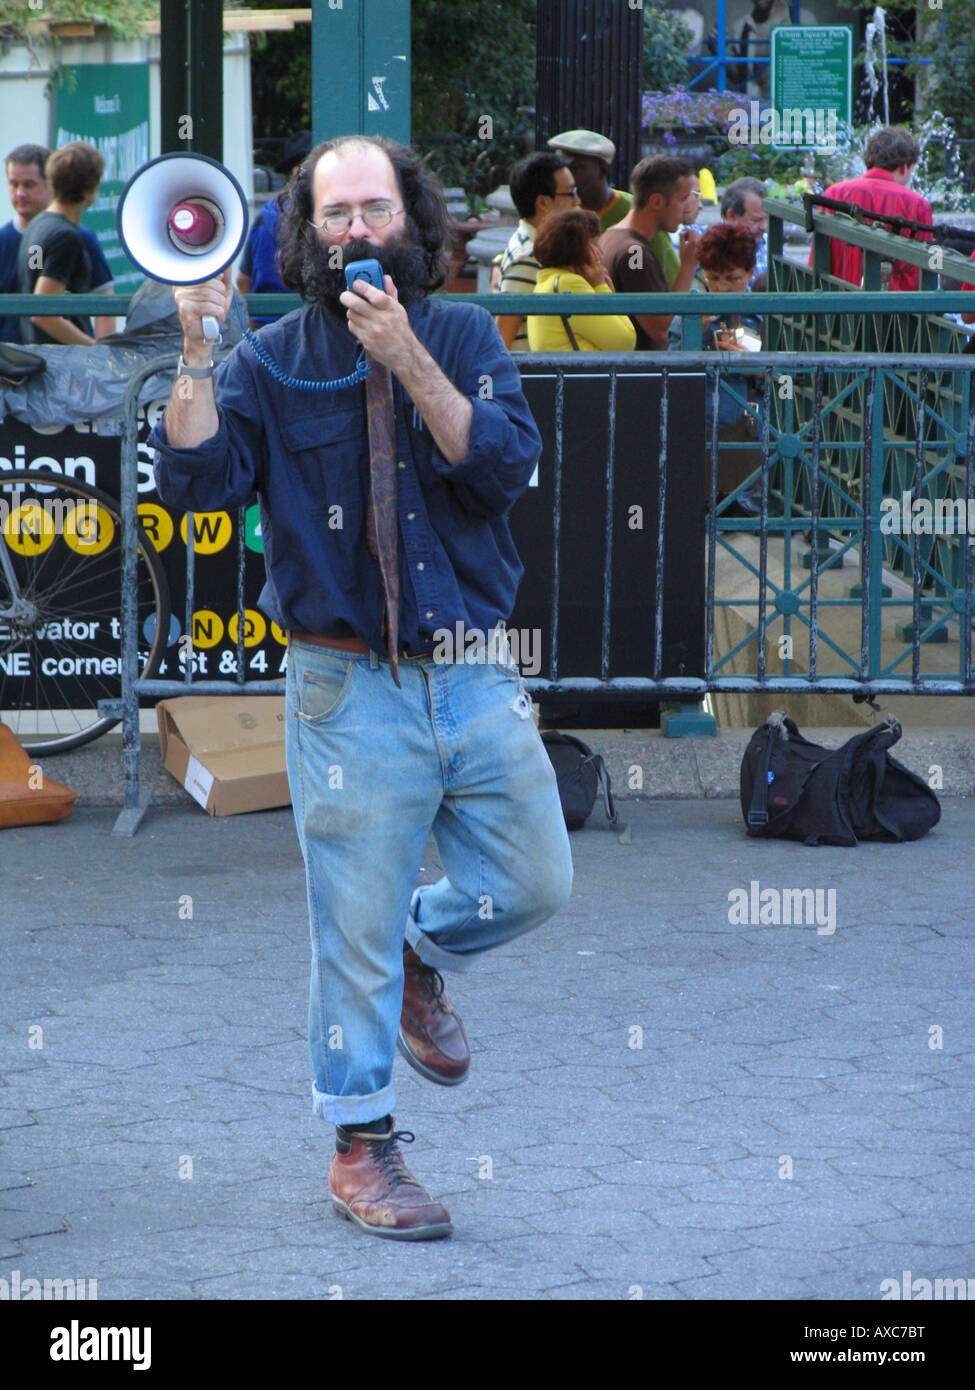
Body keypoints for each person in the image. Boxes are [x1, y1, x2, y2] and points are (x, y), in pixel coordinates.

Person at [150, 134, 573, 1242]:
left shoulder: (464, 334)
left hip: (472, 671)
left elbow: (498, 468)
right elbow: (196, 481)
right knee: (348, 929)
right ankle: (361, 1145)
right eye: (332, 214)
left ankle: (420, 960)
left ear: (412, 220)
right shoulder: (275, 355)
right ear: (306, 234)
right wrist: (197, 345)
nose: (354, 231)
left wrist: (408, 360)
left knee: (537, 877)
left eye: (373, 209)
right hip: (344, 681)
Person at [1, 142, 114, 342]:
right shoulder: (65, 237)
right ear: (92, 190)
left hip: (35, 357)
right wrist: (98, 352)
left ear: (50, 183)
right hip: (61, 363)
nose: (20, 192)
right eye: (14, 184)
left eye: (29, 184)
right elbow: (43, 311)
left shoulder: (37, 226)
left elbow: (34, 276)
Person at [598, 155, 701, 350]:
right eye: (684, 198)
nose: (689, 208)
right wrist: (688, 267)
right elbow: (664, 330)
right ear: (657, 202)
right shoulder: (634, 253)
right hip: (640, 374)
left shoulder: (612, 235)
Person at [813, 127, 933, 292]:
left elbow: (816, 259)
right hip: (896, 313)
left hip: (838, 309)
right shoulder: (918, 205)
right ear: (905, 167)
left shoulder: (833, 194)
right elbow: (929, 268)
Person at [495, 151, 579, 351]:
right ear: (543, 202)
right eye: (570, 194)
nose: (578, 202)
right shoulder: (527, 256)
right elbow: (502, 341)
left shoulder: (537, 247)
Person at [527, 207, 636, 352]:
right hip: (579, 374)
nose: (601, 253)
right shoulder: (569, 285)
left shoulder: (547, 281)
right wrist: (601, 287)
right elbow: (626, 342)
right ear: (579, 250)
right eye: (595, 246)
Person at [236, 130, 312, 327]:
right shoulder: (325, 218)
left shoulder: (264, 217)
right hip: (312, 328)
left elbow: (242, 280)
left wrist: (251, 332)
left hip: (266, 329)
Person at [546, 129, 632, 232]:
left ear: (602, 170)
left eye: (575, 168)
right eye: (562, 169)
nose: (567, 176)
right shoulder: (553, 214)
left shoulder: (634, 212)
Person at [721, 176, 768, 288]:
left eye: (767, 219)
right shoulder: (707, 244)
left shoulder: (769, 244)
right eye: (757, 220)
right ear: (731, 216)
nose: (764, 227)